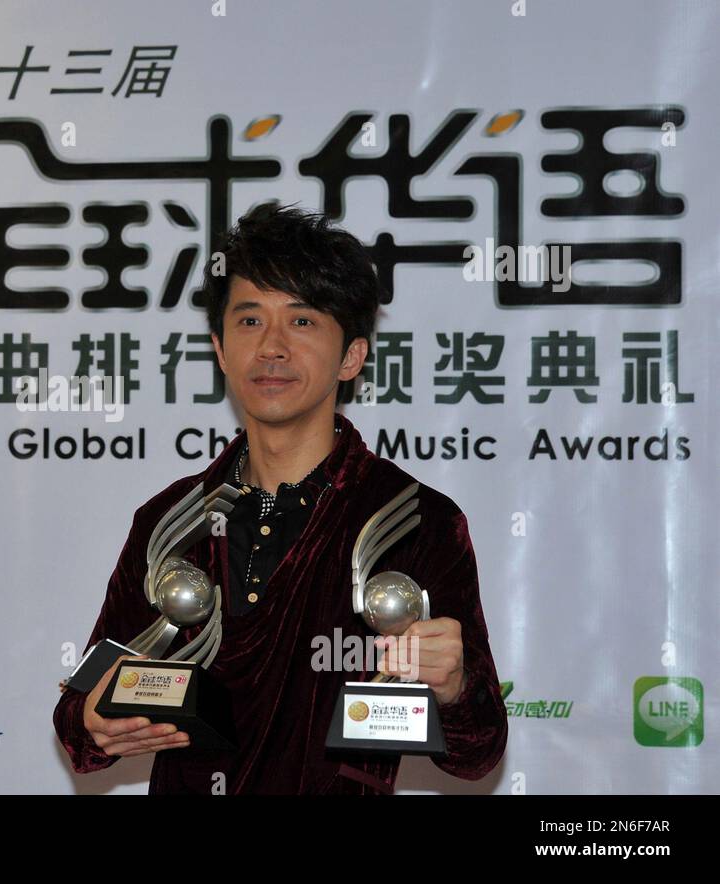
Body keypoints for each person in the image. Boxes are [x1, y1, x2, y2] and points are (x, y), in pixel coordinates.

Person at [52, 202, 508, 794]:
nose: (270, 347)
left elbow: (478, 752)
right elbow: (81, 717)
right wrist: (92, 724)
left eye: (301, 321)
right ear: (219, 348)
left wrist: (453, 687)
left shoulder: (417, 520)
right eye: (248, 321)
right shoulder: (168, 522)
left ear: (352, 356)